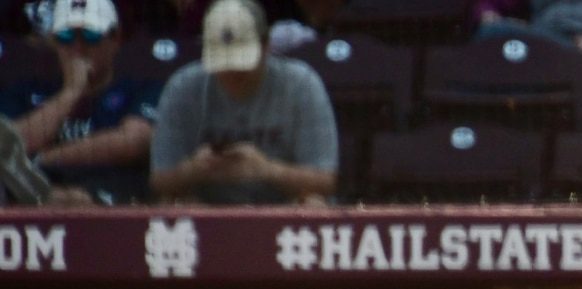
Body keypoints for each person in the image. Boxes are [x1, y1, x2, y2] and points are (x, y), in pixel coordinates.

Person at [149, 0, 338, 205]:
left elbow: (325, 180)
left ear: (265, 46)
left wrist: (267, 170)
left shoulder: (301, 84)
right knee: (171, 203)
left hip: (282, 209)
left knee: (313, 203)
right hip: (204, 209)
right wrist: (192, 170)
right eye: (223, 62)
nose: (232, 72)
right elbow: (159, 181)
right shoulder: (183, 86)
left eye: (242, 62)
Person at [0, 0, 160, 205]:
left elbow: (133, 142)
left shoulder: (140, 89)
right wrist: (70, 93)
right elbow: (7, 144)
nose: (78, 47)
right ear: (54, 42)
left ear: (115, 39)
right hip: (36, 188)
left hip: (110, 188)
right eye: (66, 37)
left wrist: (46, 158)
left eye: (90, 36)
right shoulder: (26, 91)